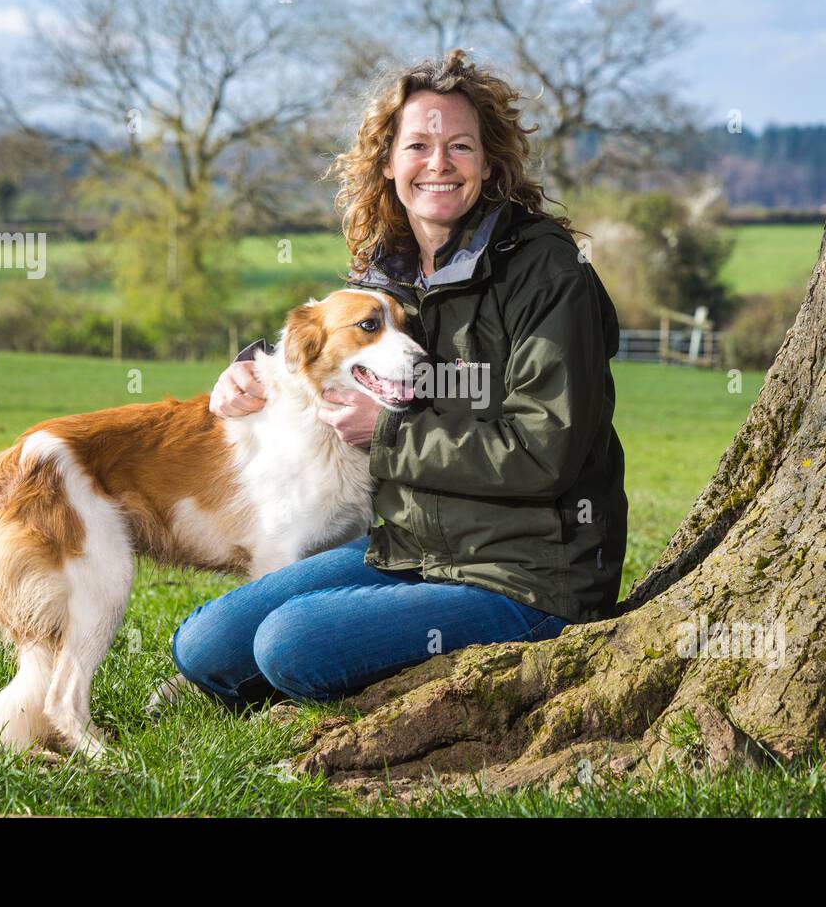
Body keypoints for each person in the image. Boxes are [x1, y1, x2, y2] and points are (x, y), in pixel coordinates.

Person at [159, 49, 627, 713]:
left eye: (459, 146)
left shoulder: (549, 276)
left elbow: (546, 453)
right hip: (410, 548)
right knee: (203, 643)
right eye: (419, 145)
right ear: (388, 162)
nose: (438, 163)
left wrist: (390, 435)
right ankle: (293, 667)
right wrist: (245, 362)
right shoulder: (393, 267)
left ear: (490, 163)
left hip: (526, 577)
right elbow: (334, 338)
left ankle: (313, 676)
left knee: (287, 644)